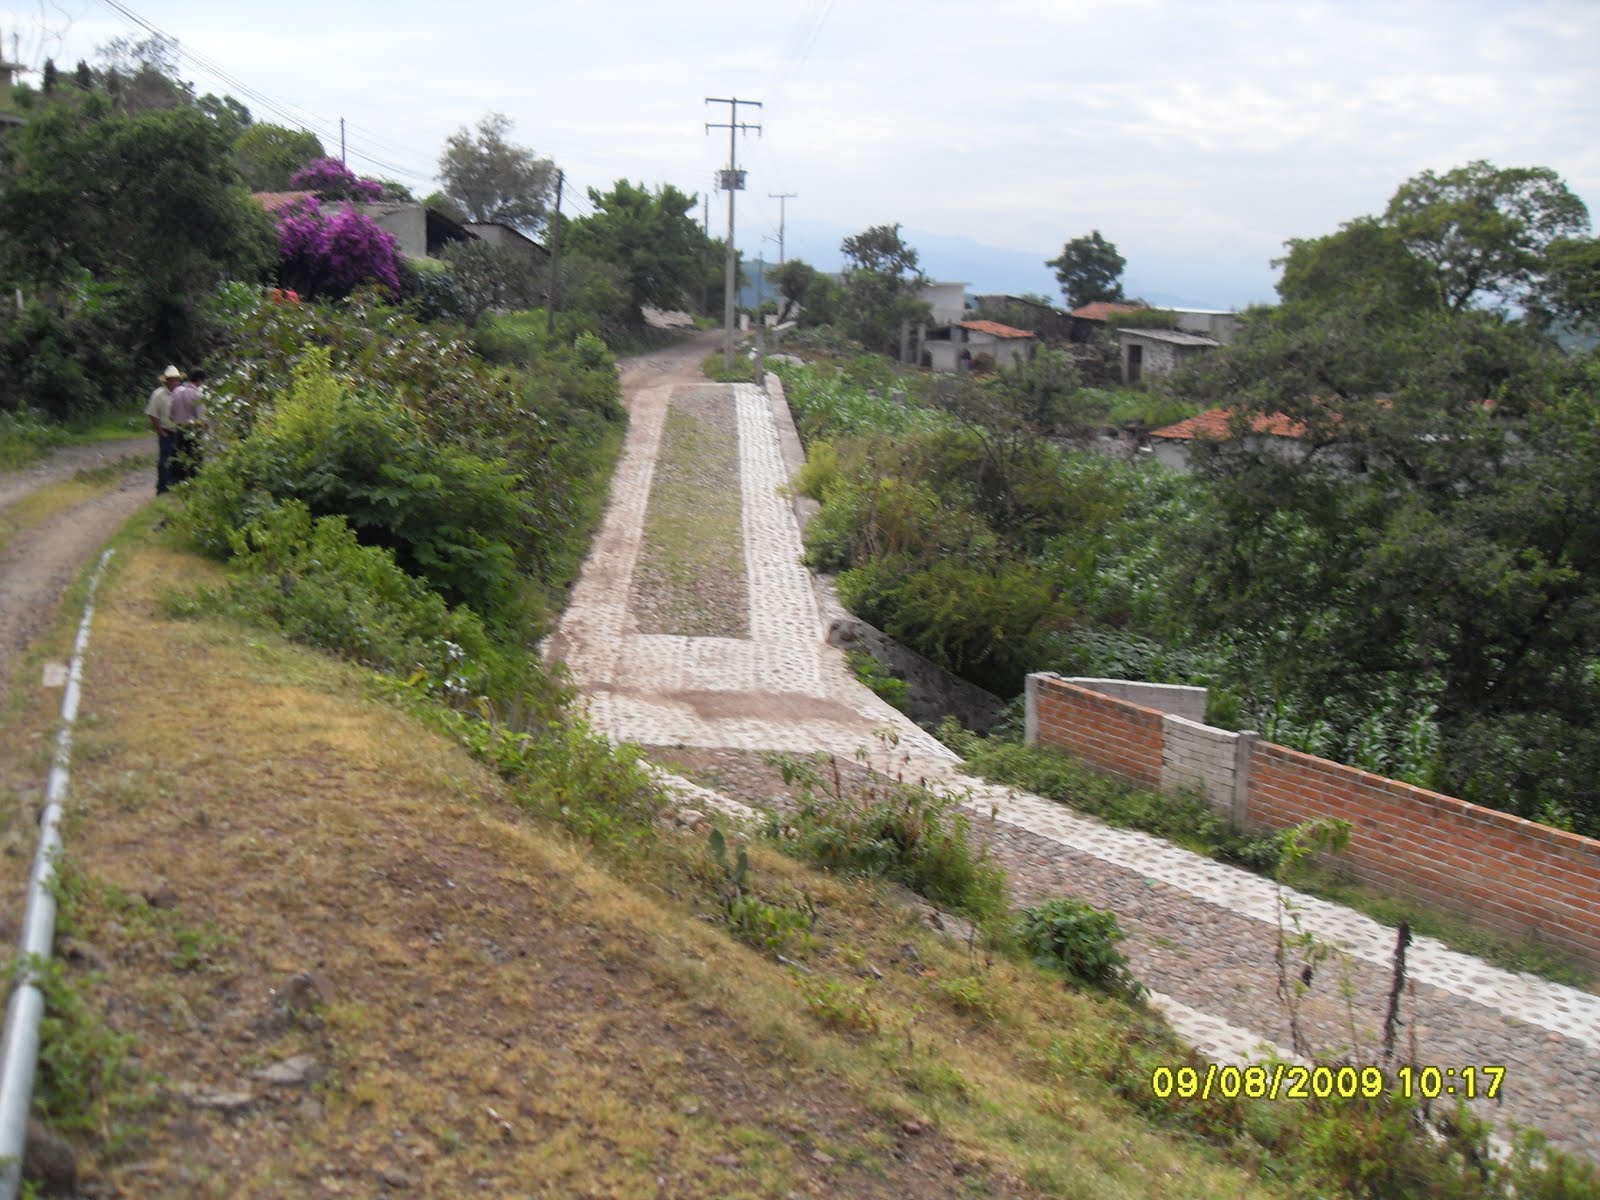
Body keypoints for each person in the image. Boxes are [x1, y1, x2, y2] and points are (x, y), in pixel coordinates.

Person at [145, 365, 183, 495]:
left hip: (179, 430)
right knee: (164, 460)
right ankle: (162, 488)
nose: (174, 382)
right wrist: (160, 430)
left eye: (176, 379)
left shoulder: (181, 392)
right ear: (166, 380)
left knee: (178, 460)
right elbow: (152, 413)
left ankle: (175, 485)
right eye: (171, 379)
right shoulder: (158, 394)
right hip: (166, 430)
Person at [168, 367, 208, 486]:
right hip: (193, 430)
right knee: (194, 457)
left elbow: (171, 414)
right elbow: (201, 417)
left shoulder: (176, 392)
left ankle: (179, 481)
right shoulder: (197, 394)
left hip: (179, 428)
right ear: (199, 380)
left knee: (180, 455)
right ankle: (194, 481)